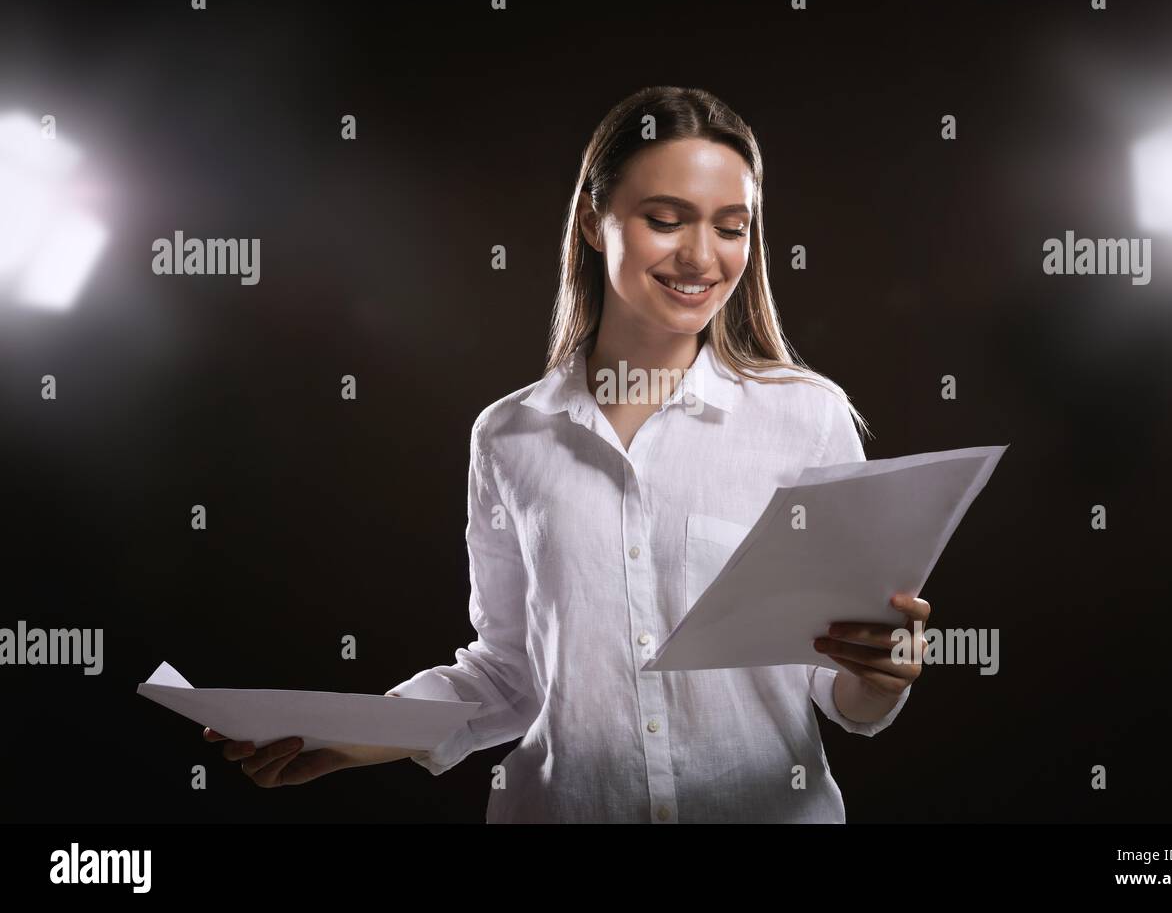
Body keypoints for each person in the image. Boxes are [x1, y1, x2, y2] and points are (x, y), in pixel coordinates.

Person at [205, 85, 930, 822]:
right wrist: (351, 737)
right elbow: (511, 672)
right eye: (665, 220)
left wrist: (883, 678)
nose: (701, 256)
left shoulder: (807, 416)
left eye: (731, 226)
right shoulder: (508, 437)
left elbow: (836, 678)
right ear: (593, 220)